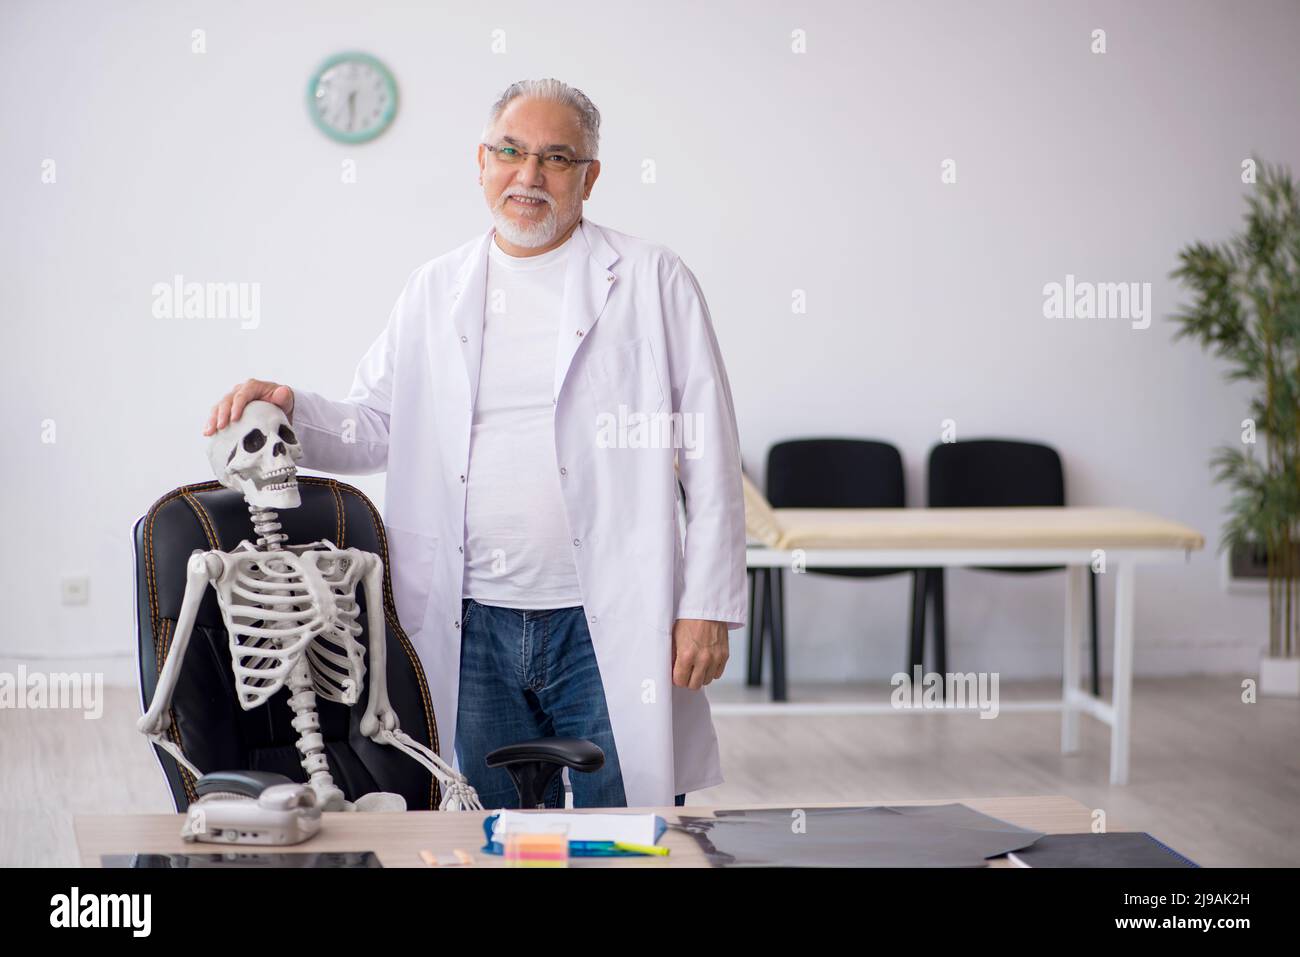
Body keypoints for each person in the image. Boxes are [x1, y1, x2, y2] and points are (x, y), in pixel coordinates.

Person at [204, 78, 746, 809]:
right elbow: (378, 424)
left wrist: (707, 602)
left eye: (557, 158)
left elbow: (710, 453)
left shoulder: (652, 279)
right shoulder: (435, 289)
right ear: (481, 161)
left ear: (589, 177)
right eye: (511, 151)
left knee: (620, 827)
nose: (530, 175)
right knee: (486, 824)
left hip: (605, 616)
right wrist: (291, 407)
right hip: (472, 618)